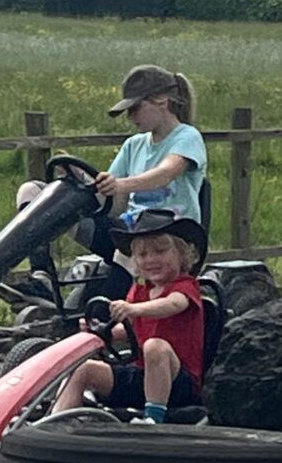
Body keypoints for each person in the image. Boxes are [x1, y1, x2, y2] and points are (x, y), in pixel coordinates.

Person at [23, 64, 206, 300]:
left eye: (135, 108)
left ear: (162, 100)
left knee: (130, 247)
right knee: (32, 192)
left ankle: (109, 314)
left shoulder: (187, 137)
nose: (130, 118)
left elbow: (166, 173)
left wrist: (121, 185)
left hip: (172, 236)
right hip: (129, 230)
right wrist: (83, 183)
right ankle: (41, 276)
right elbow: (113, 203)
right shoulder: (134, 145)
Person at [50, 209, 207, 424]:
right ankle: (55, 420)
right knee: (83, 369)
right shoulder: (140, 290)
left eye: (159, 251)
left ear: (181, 254)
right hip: (141, 375)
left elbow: (173, 305)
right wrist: (101, 333)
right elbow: (132, 330)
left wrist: (134, 309)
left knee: (155, 346)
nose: (151, 259)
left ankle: (153, 418)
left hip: (179, 383)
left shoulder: (185, 287)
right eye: (143, 255)